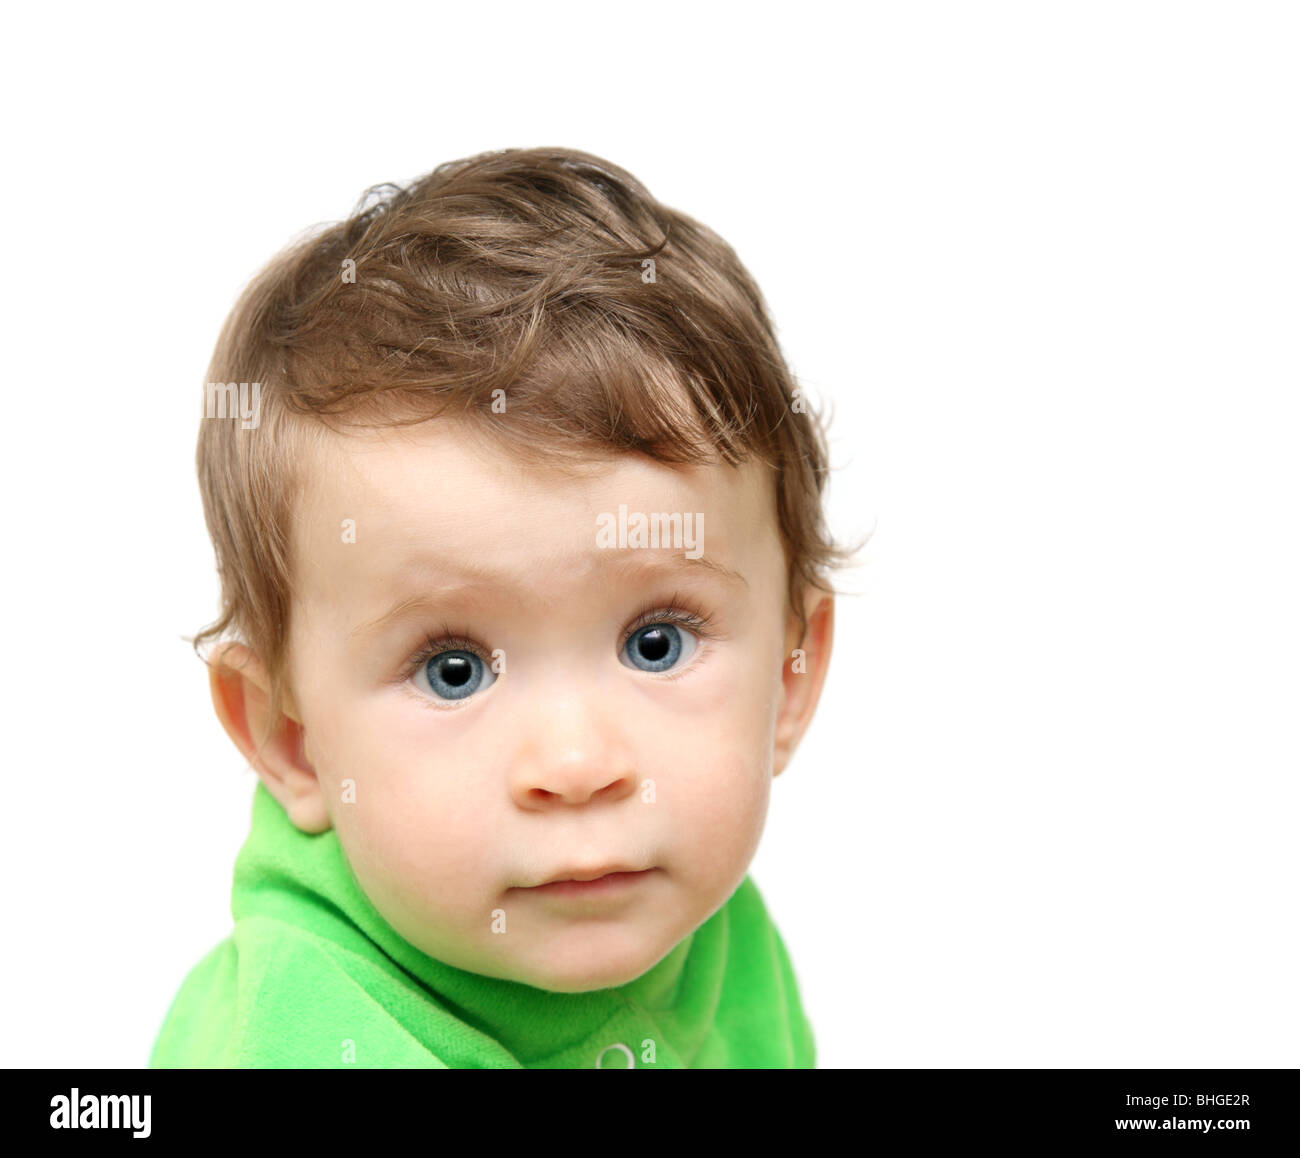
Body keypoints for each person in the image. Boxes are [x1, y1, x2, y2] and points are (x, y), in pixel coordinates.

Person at [150, 146, 858, 1068]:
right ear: (292, 736)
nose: (576, 766)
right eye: (455, 671)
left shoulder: (703, 923)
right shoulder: (317, 1038)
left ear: (790, 674)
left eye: (655, 644)